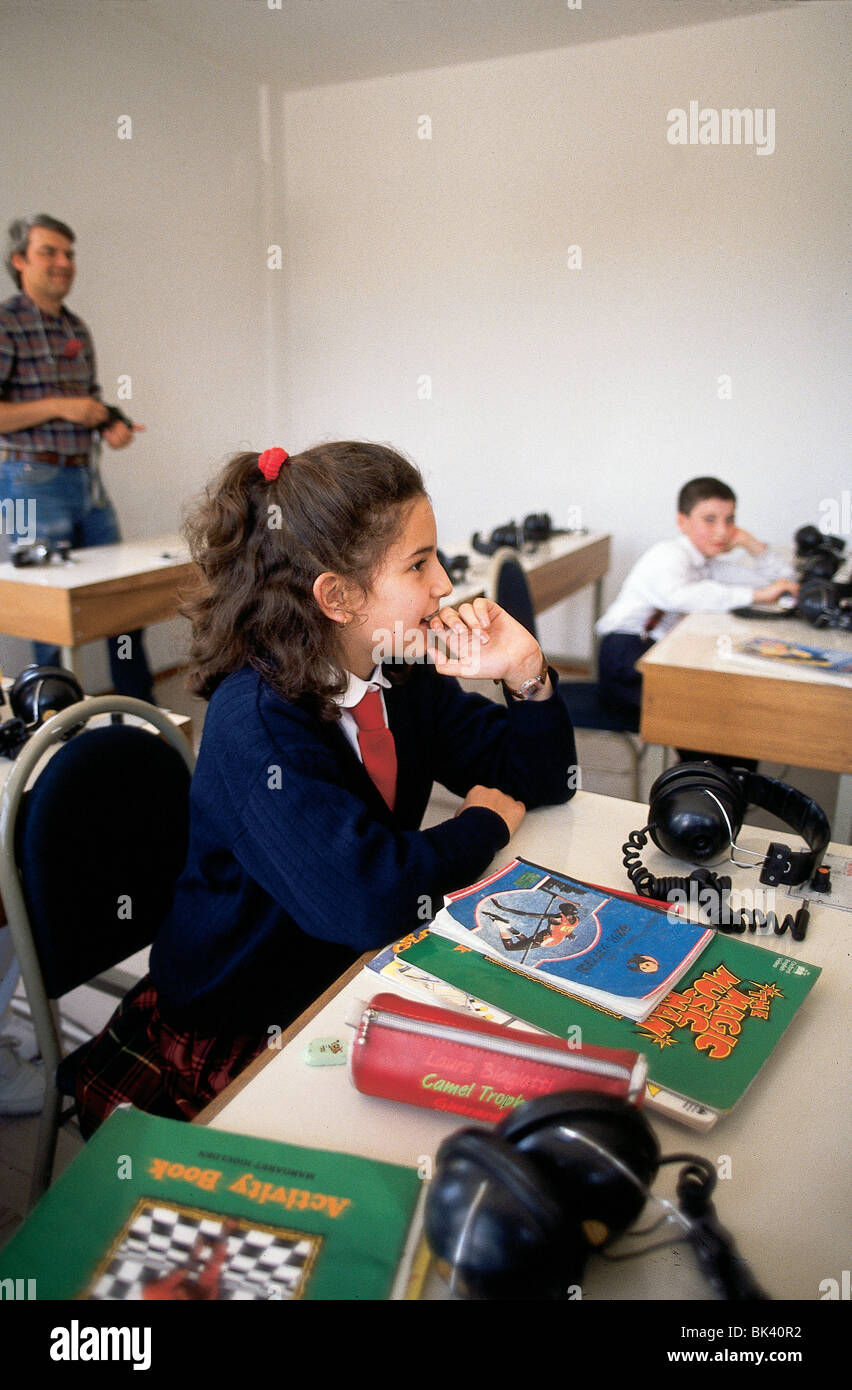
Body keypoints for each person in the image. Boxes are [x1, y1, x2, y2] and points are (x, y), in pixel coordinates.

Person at [74, 441, 578, 1133]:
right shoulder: (259, 728)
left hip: (345, 968)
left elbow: (540, 780)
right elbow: (367, 898)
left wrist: (523, 670)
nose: (445, 584)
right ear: (337, 596)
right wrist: (483, 822)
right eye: (419, 563)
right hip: (246, 1012)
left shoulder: (399, 671)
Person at [0, 214, 154, 700]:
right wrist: (63, 407)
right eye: (50, 252)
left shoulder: (76, 328)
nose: (64, 263)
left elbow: (90, 401)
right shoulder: (6, 324)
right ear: (20, 260)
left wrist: (111, 424)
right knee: (47, 616)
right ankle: (54, 723)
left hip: (86, 481)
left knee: (121, 602)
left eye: (69, 254)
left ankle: (137, 709)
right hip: (29, 483)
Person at [595, 476, 798, 722]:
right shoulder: (668, 554)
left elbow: (780, 581)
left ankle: (717, 761)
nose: (723, 531)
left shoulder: (708, 564)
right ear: (682, 522)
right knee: (710, 713)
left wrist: (752, 544)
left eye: (730, 520)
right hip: (626, 655)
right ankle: (702, 761)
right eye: (710, 520)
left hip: (660, 651)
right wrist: (756, 596)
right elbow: (678, 597)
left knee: (727, 705)